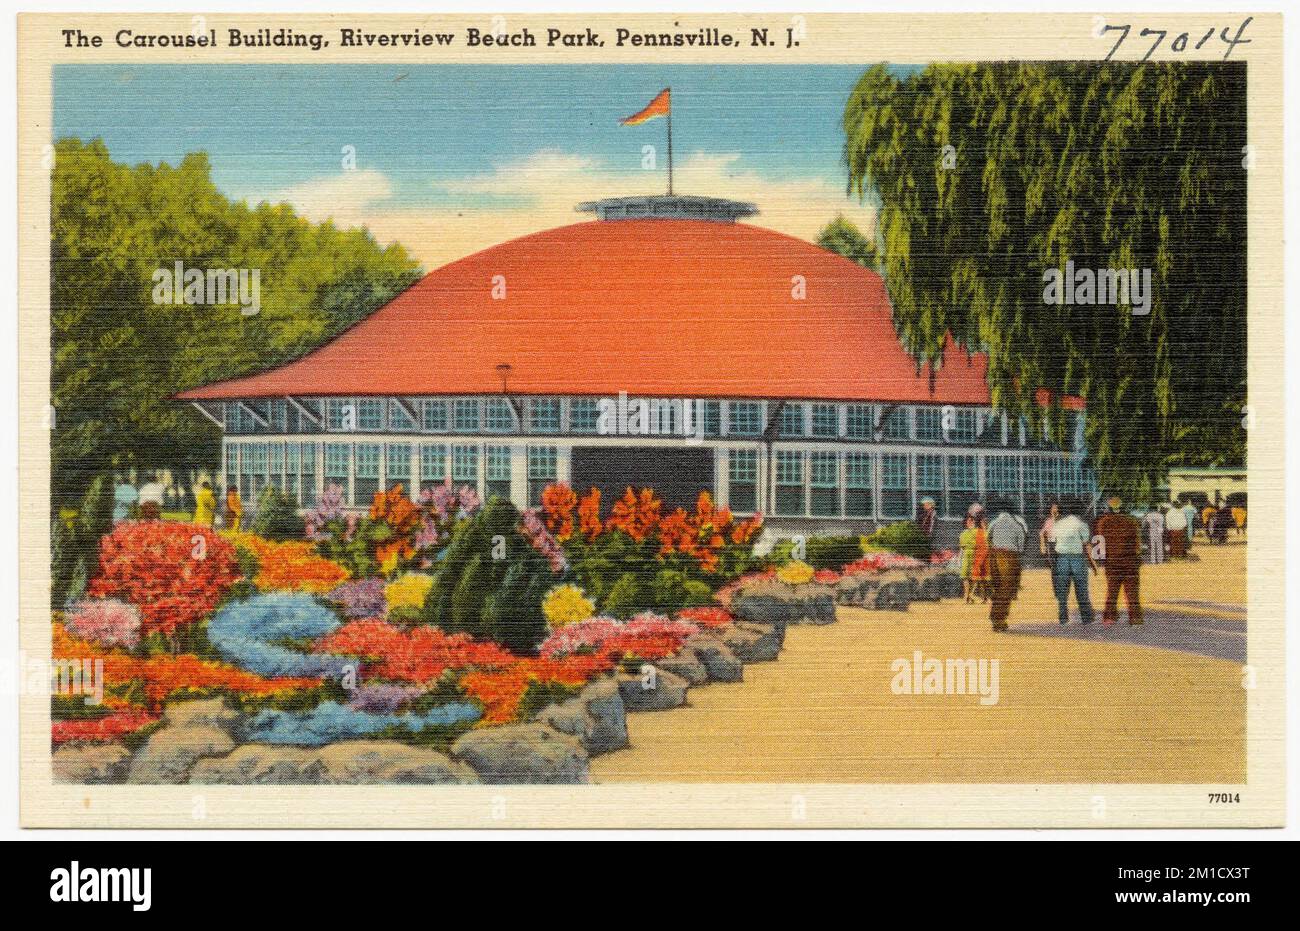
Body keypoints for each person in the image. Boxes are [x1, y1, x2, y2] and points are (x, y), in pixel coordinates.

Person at [1095, 496, 1143, 626]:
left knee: (1112, 591)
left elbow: (1098, 547)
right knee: (1132, 592)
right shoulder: (1131, 522)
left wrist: (1101, 561)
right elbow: (1137, 545)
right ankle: (1135, 619)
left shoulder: (1103, 522)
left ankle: (1109, 618)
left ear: (1108, 508)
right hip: (1130, 562)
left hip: (1112, 563)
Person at [1051, 496, 1097, 625]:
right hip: (1077, 558)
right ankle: (1086, 618)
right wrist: (1093, 564)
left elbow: (1053, 540)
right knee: (1082, 591)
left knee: (1062, 592)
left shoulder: (1058, 524)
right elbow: (1086, 544)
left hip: (1061, 559)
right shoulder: (1081, 524)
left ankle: (1063, 618)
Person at [986, 499, 1028, 632]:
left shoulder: (994, 523)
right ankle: (999, 619)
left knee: (997, 587)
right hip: (1009, 556)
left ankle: (995, 616)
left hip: (994, 555)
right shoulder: (1016, 524)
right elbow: (1021, 545)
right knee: (1006, 588)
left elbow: (988, 539)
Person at [958, 513, 980, 603]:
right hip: (966, 555)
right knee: (965, 576)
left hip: (976, 554)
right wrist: (959, 558)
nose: (969, 522)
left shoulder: (979, 532)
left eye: (971, 520)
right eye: (967, 521)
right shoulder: (963, 534)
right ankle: (966, 595)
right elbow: (961, 548)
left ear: (974, 521)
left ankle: (970, 594)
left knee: (974, 576)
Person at [971, 513, 991, 604]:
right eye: (983, 522)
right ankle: (971, 596)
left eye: (985, 522)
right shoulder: (977, 532)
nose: (985, 523)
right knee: (977, 577)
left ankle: (984, 597)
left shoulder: (987, 532)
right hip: (979, 557)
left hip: (986, 557)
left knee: (984, 579)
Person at [1038, 500, 1060, 572]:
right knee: (1053, 563)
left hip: (1061, 543)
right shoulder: (1048, 521)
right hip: (1051, 543)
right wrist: (1042, 545)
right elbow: (1041, 533)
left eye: (1055, 508)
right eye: (1052, 508)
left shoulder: (1062, 520)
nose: (1054, 510)